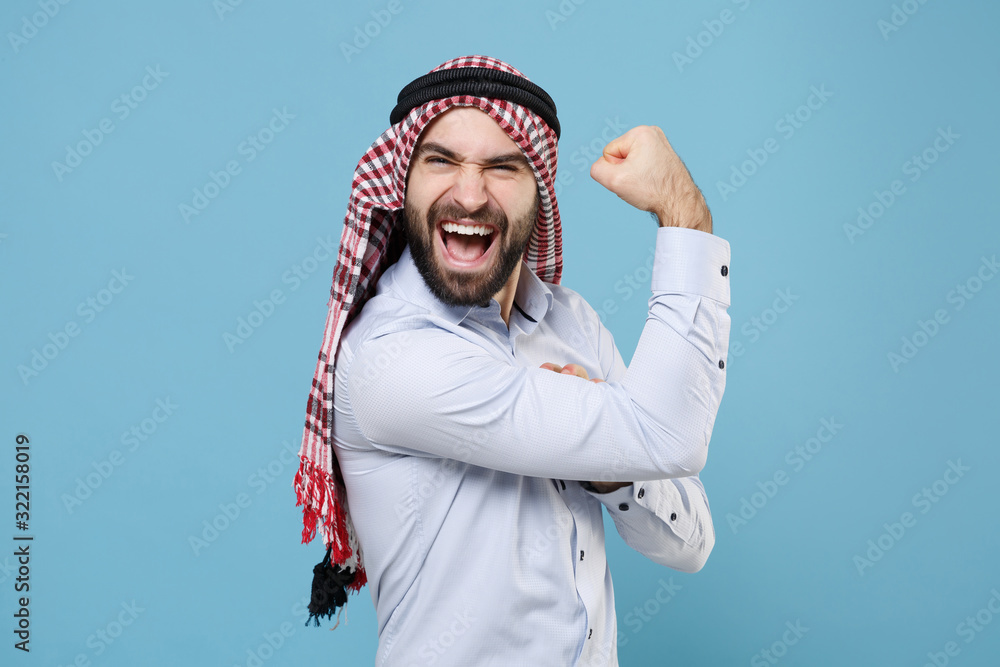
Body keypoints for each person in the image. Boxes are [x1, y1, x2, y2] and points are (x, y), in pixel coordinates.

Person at [294, 55, 731, 666]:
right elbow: (669, 435)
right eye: (441, 161)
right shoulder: (389, 361)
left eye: (503, 167)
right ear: (402, 181)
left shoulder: (571, 323)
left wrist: (608, 470)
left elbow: (692, 544)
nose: (470, 195)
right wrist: (686, 216)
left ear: (539, 194)